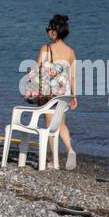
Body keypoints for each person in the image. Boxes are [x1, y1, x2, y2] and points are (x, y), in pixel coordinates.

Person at [34, 13, 78, 170]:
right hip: (64, 93)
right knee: (61, 123)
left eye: (48, 29)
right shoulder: (70, 52)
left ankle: (54, 161)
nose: (47, 32)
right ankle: (70, 149)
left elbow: (35, 70)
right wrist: (74, 96)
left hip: (49, 93)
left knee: (50, 126)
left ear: (54, 31)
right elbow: (73, 77)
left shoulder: (46, 48)